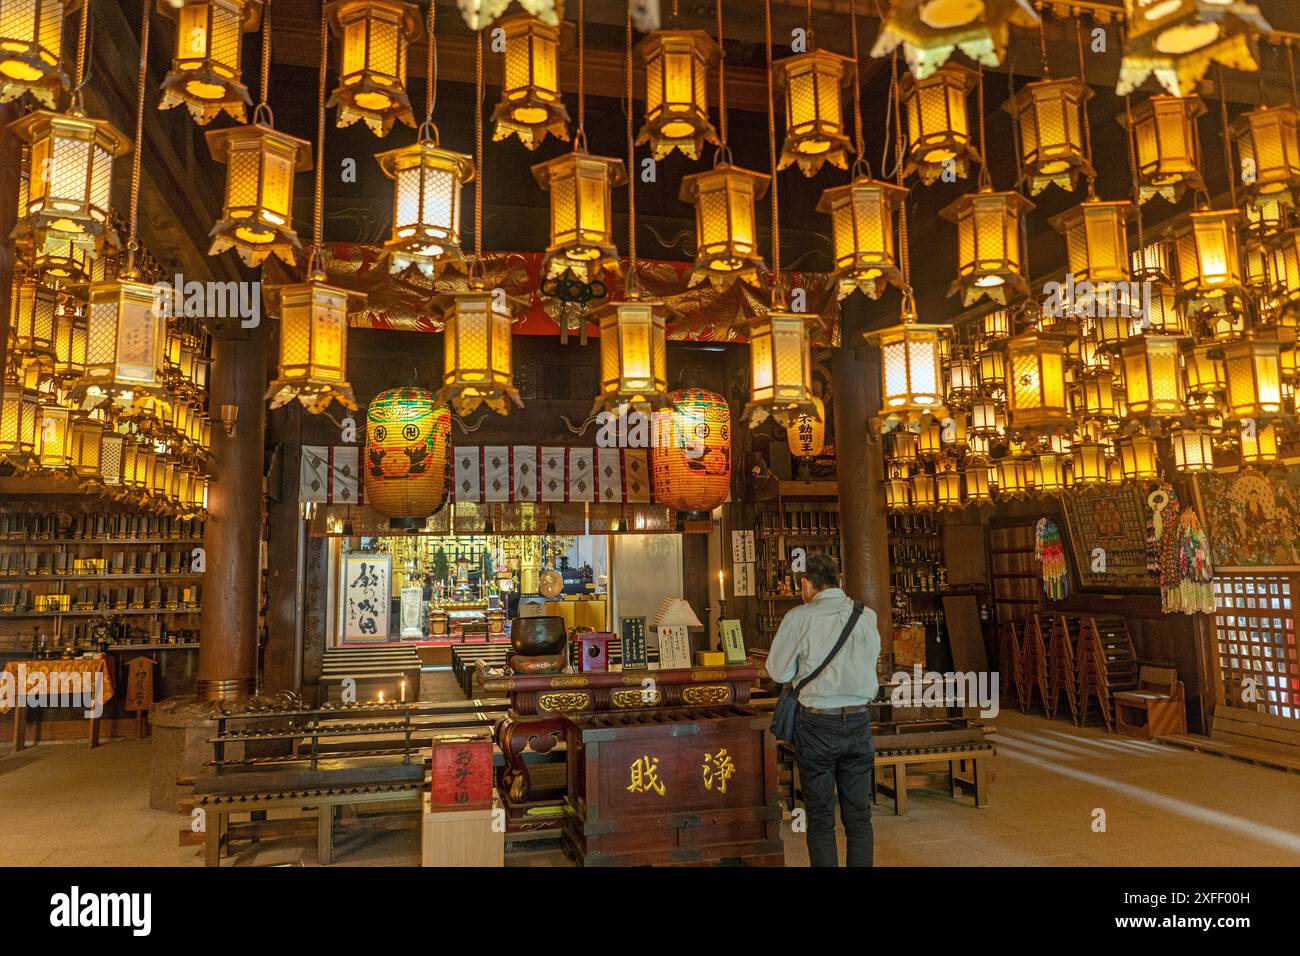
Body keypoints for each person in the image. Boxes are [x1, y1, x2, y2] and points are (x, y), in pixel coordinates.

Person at [765, 552, 881, 867]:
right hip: (859, 721)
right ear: (838, 581)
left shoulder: (799, 618)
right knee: (859, 816)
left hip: (816, 726)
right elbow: (873, 658)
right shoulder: (866, 616)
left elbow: (778, 672)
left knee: (820, 817)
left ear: (806, 584)